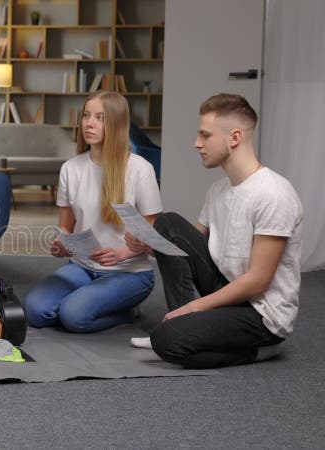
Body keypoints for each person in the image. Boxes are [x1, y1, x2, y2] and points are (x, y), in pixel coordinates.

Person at [126, 93, 303, 369]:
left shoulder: (274, 194)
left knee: (167, 342)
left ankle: (257, 350)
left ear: (234, 138)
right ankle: (182, 321)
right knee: (168, 223)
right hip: (228, 287)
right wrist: (150, 245)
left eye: (205, 136)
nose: (197, 144)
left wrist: (195, 307)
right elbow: (187, 244)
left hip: (261, 313)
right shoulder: (218, 190)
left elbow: (258, 281)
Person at [23, 91, 162, 333]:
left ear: (116, 123)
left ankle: (127, 311)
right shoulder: (70, 168)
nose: (89, 123)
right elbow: (66, 225)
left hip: (129, 272)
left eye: (100, 117)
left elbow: (150, 233)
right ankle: (86, 303)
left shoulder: (141, 169)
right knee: (34, 311)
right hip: (82, 266)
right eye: (86, 115)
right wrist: (61, 243)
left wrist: (122, 253)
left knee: (74, 316)